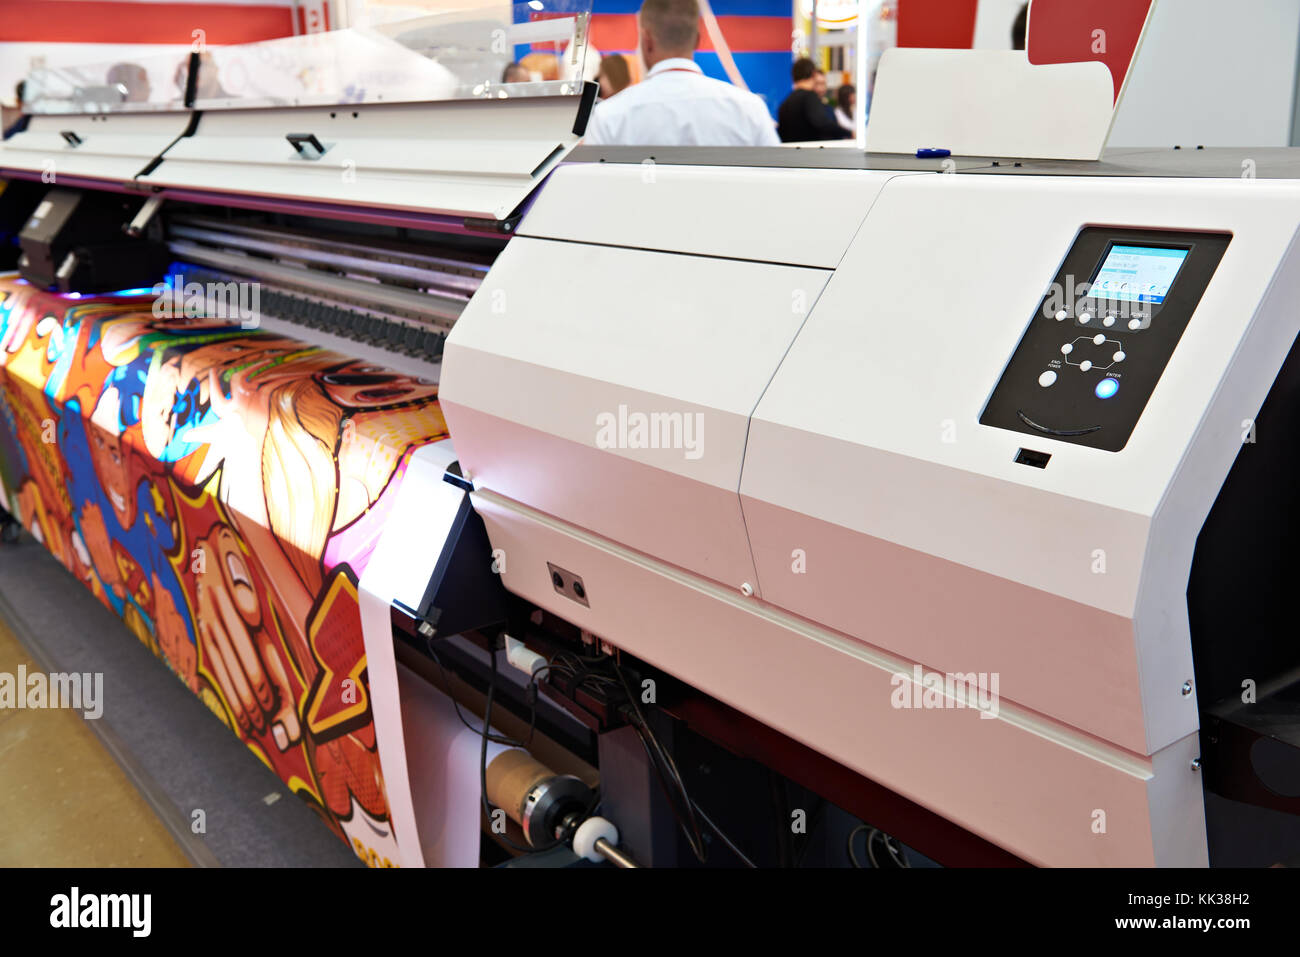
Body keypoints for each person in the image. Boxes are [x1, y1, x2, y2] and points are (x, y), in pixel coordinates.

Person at [583, 0, 778, 147]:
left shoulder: (608, 117)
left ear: (646, 40)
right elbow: (777, 185)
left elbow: (591, 193)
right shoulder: (749, 110)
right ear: (697, 40)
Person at [778, 59, 845, 142]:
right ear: (813, 74)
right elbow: (822, 123)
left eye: (823, 84)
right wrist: (848, 133)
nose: (821, 88)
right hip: (811, 152)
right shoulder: (810, 97)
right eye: (818, 83)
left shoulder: (785, 104)